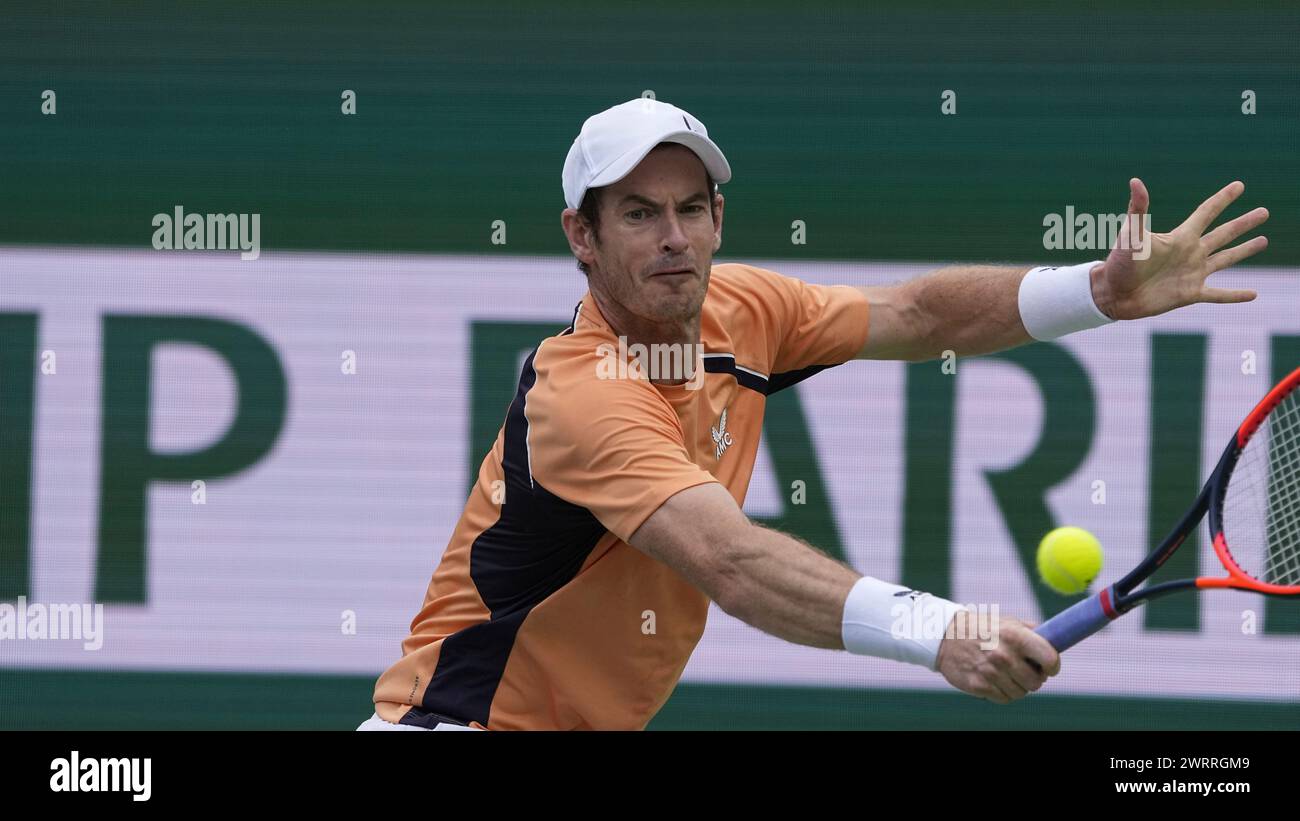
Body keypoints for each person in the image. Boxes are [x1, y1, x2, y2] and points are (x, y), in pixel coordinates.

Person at [360, 97, 1269, 730]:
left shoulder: (740, 310)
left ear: (718, 218)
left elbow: (919, 315)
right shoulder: (585, 394)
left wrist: (1098, 291)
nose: (673, 237)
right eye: (638, 214)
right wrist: (940, 631)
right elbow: (733, 559)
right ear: (581, 237)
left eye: (690, 209)